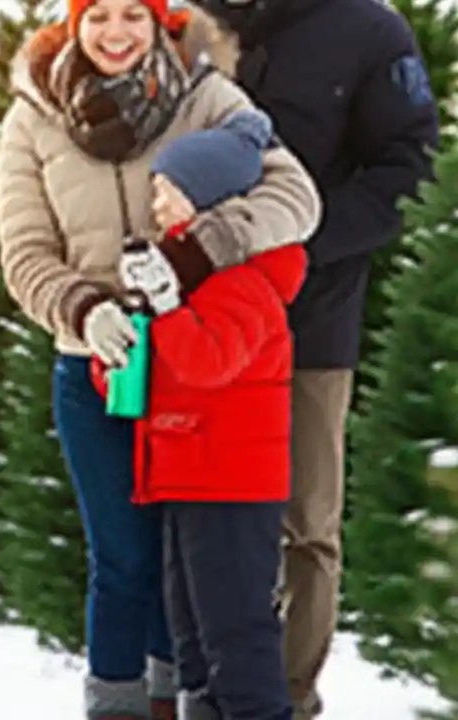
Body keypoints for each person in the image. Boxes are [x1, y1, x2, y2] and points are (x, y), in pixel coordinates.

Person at [0, 0, 321, 715]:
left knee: (189, 564)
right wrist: (86, 309)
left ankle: (181, 699)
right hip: (95, 361)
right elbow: (24, 254)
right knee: (124, 559)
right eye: (99, 15)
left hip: (194, 361)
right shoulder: (34, 116)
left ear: (160, 21)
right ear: (73, 22)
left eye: (133, 16)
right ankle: (115, 704)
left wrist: (201, 250)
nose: (116, 34)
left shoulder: (205, 97)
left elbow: (296, 199)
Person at [178, 0, 441, 714]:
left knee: (305, 524)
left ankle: (285, 697)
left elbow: (410, 167)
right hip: (189, 320)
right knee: (184, 512)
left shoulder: (368, 28)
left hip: (309, 325)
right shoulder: (185, 21)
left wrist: (300, 242)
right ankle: (191, 687)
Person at [93, 106, 305, 719]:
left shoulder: (250, 282)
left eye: (165, 193)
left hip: (232, 486)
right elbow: (155, 368)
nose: (155, 206)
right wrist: (116, 349)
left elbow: (207, 361)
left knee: (236, 633)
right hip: (186, 478)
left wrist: (163, 304)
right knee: (193, 636)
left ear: (204, 198)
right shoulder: (184, 277)